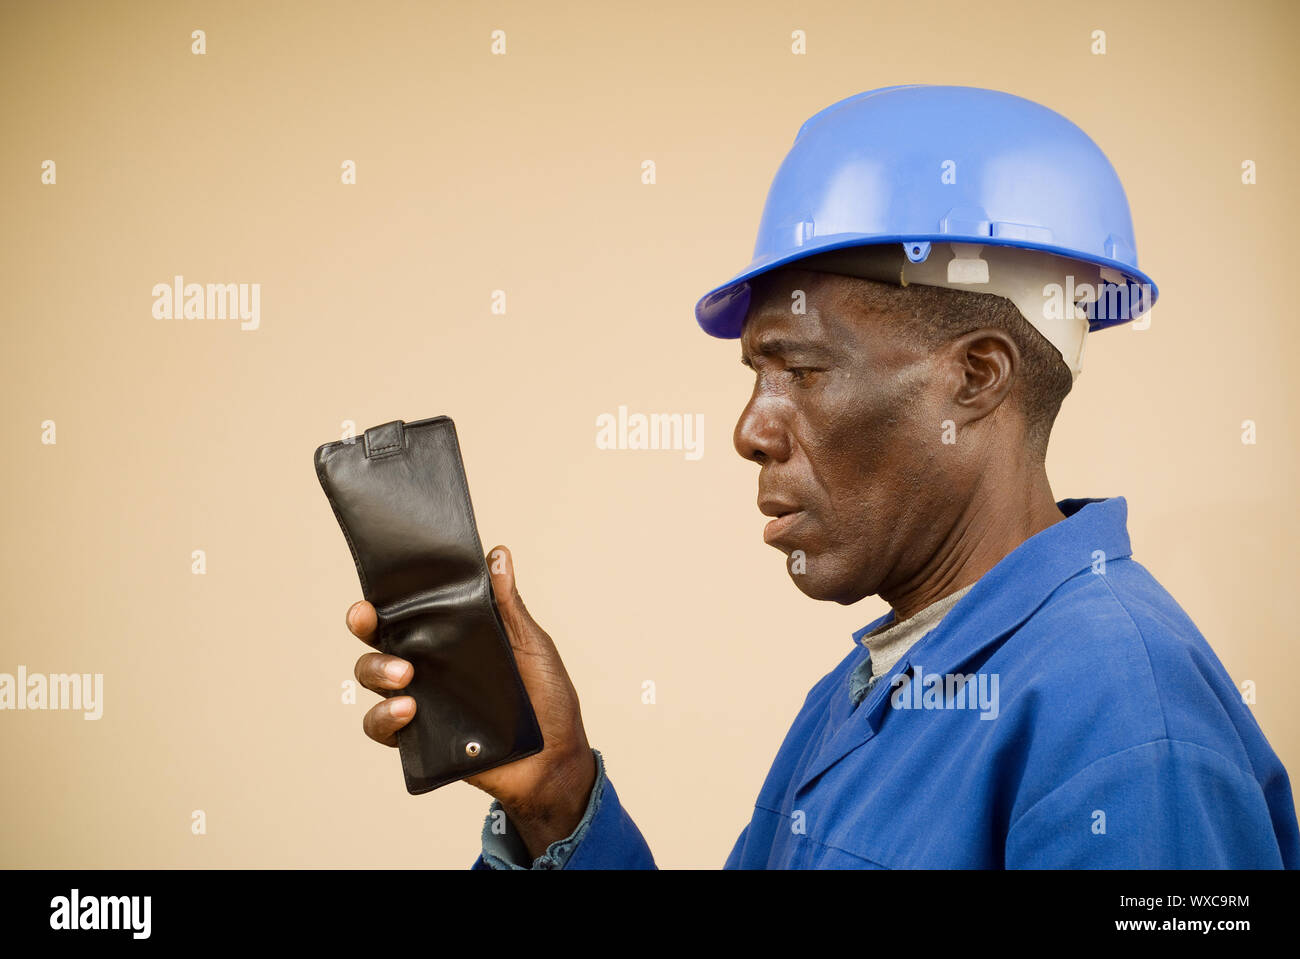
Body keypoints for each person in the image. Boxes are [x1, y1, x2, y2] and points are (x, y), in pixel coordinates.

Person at [346, 86, 1300, 868]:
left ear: (974, 380)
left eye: (800, 370)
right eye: (756, 376)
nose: (748, 430)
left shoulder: (1125, 715)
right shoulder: (866, 690)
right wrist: (557, 795)